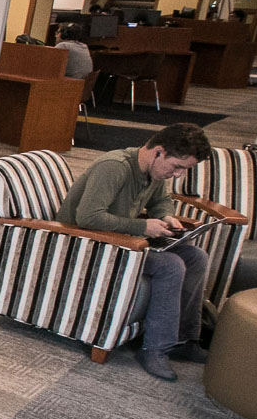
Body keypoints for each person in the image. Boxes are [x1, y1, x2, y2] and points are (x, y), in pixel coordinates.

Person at [56, 122, 212, 380]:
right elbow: (88, 217)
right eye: (177, 167)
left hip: (122, 241)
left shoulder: (153, 172)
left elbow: (161, 201)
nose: (178, 175)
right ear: (159, 152)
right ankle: (155, 348)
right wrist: (143, 226)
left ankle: (184, 340)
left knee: (196, 257)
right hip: (86, 244)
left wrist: (166, 217)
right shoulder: (114, 167)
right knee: (170, 265)